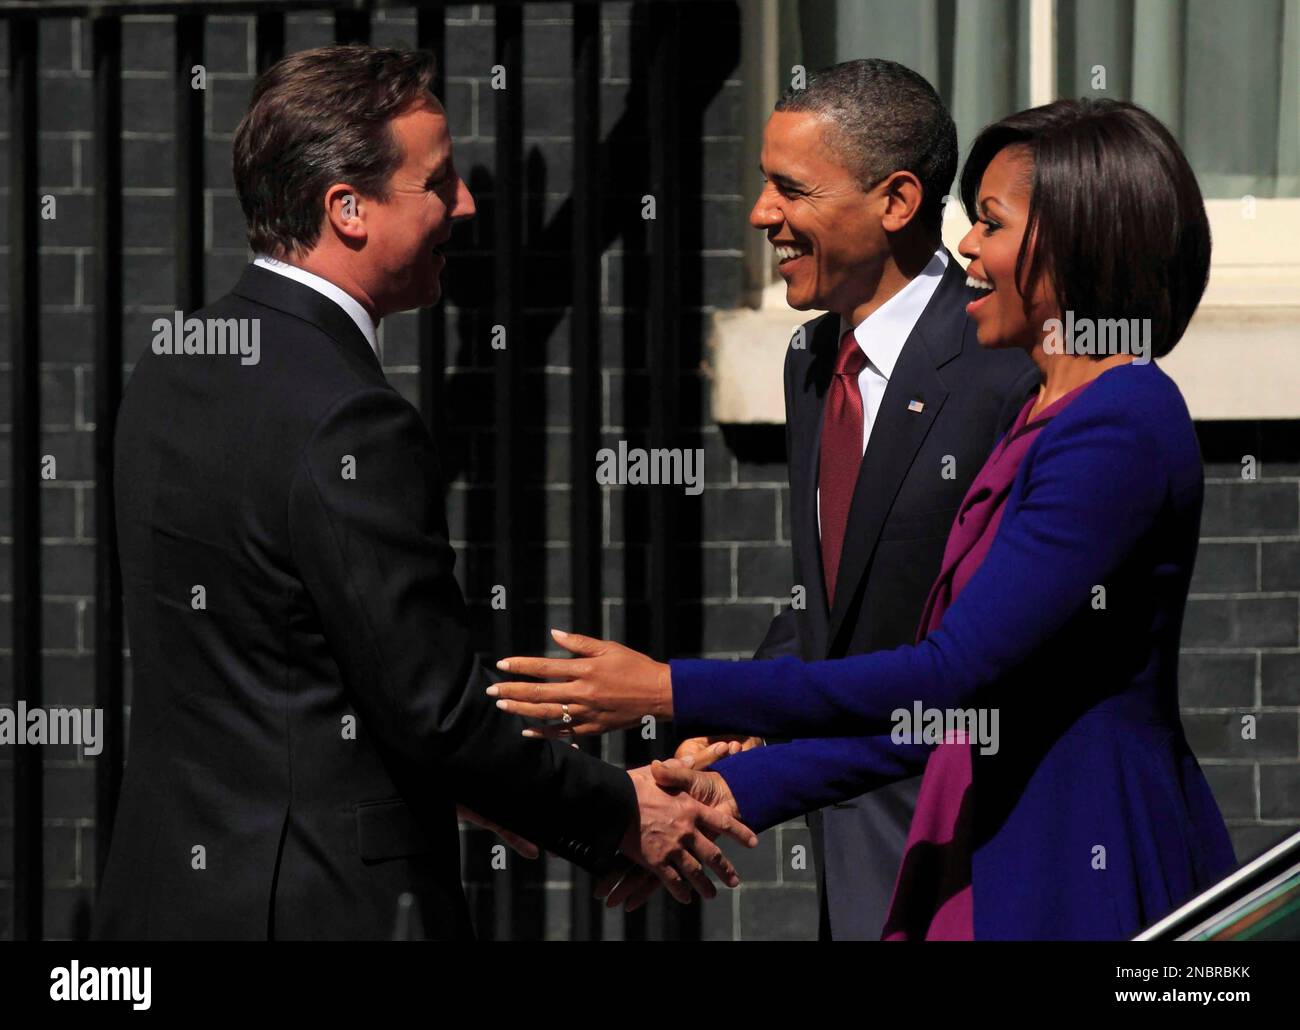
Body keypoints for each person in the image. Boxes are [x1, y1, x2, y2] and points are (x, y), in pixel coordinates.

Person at [490, 98, 1239, 940]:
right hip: (990, 856)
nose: (967, 248)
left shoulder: (1121, 420)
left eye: (990, 223)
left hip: (1074, 861)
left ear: (1071, 241)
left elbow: (947, 674)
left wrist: (669, 687)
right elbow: (964, 713)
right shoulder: (1037, 414)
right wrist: (745, 789)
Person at [92, 45, 753, 942]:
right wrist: (620, 808)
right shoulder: (350, 417)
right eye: (437, 182)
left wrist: (496, 786)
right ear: (348, 209)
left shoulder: (171, 365)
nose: (467, 204)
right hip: (322, 909)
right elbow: (432, 710)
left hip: (168, 897)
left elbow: (299, 668)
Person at [677, 57, 1037, 940]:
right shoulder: (811, 360)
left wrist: (668, 689)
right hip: (845, 847)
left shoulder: (1005, 371)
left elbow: (972, 659)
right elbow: (832, 610)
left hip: (964, 850)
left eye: (790, 189)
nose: (763, 213)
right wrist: (735, 721)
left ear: (898, 201)